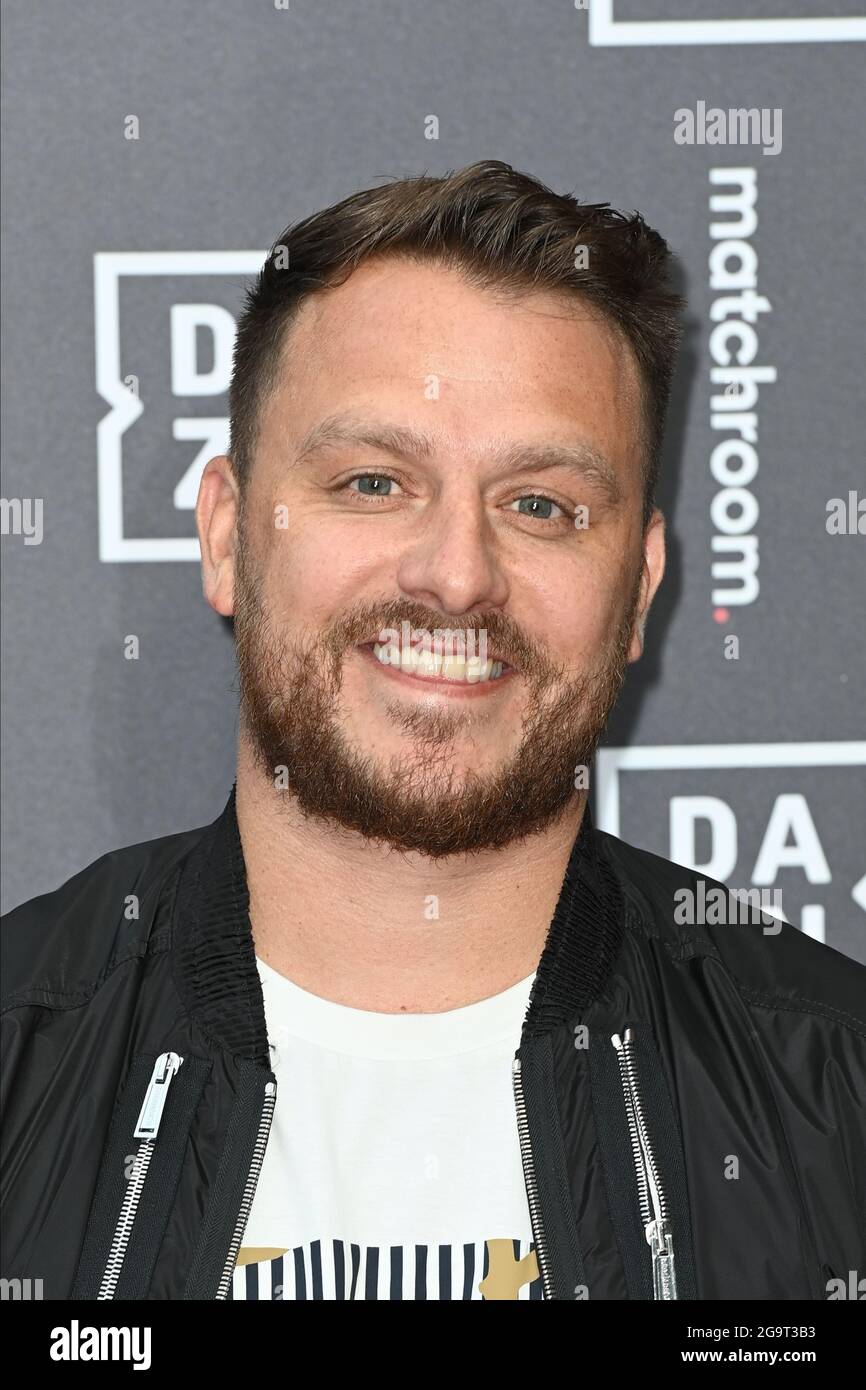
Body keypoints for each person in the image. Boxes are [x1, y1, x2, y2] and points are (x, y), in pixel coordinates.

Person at [2, 160, 863, 1302]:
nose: (456, 575)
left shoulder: (833, 1093)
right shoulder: (24, 1055)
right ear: (225, 537)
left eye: (541, 505)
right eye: (371, 482)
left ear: (639, 586)